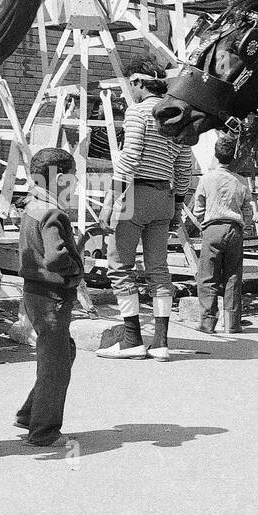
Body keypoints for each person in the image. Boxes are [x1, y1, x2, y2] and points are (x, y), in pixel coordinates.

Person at [96, 59, 194, 361]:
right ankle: (161, 344)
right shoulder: (175, 115)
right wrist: (178, 204)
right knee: (159, 270)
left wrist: (110, 200)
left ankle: (132, 340)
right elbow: (184, 165)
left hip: (135, 196)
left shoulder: (138, 112)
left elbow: (129, 158)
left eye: (131, 85)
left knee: (119, 267)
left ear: (138, 83)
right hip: (164, 198)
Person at [16, 147, 83, 447]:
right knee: (55, 364)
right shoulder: (53, 213)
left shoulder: (33, 206)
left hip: (35, 293)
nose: (77, 182)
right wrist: (75, 269)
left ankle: (29, 414)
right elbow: (55, 258)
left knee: (62, 351)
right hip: (53, 295)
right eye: (73, 176)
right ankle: (43, 431)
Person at [194, 135, 257, 335]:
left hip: (212, 229)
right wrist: (243, 225)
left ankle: (207, 322)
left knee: (207, 277)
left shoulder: (206, 179)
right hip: (235, 229)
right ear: (233, 156)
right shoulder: (241, 181)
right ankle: (232, 324)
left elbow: (198, 209)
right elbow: (248, 212)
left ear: (215, 154)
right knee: (233, 277)